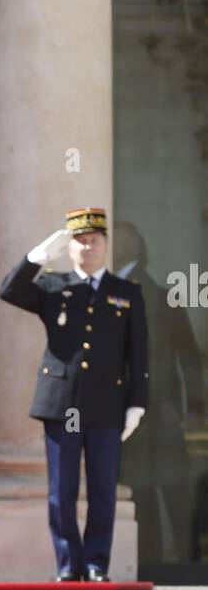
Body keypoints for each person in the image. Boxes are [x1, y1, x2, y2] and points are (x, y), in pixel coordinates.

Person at [0, 207, 149, 581]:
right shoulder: (54, 286)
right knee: (61, 491)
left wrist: (137, 403)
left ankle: (97, 563)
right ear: (69, 247)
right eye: (80, 241)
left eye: (94, 241)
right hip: (62, 403)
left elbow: (139, 352)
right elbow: (9, 291)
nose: (87, 247)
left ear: (106, 245)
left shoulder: (126, 292)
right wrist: (36, 258)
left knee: (102, 490)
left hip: (106, 404)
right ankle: (68, 565)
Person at [114, 220, 204, 562]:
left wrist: (193, 406)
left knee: (162, 489)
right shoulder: (141, 291)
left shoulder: (143, 292)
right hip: (152, 410)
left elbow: (187, 358)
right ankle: (163, 560)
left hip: (152, 409)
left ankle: (175, 561)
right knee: (148, 491)